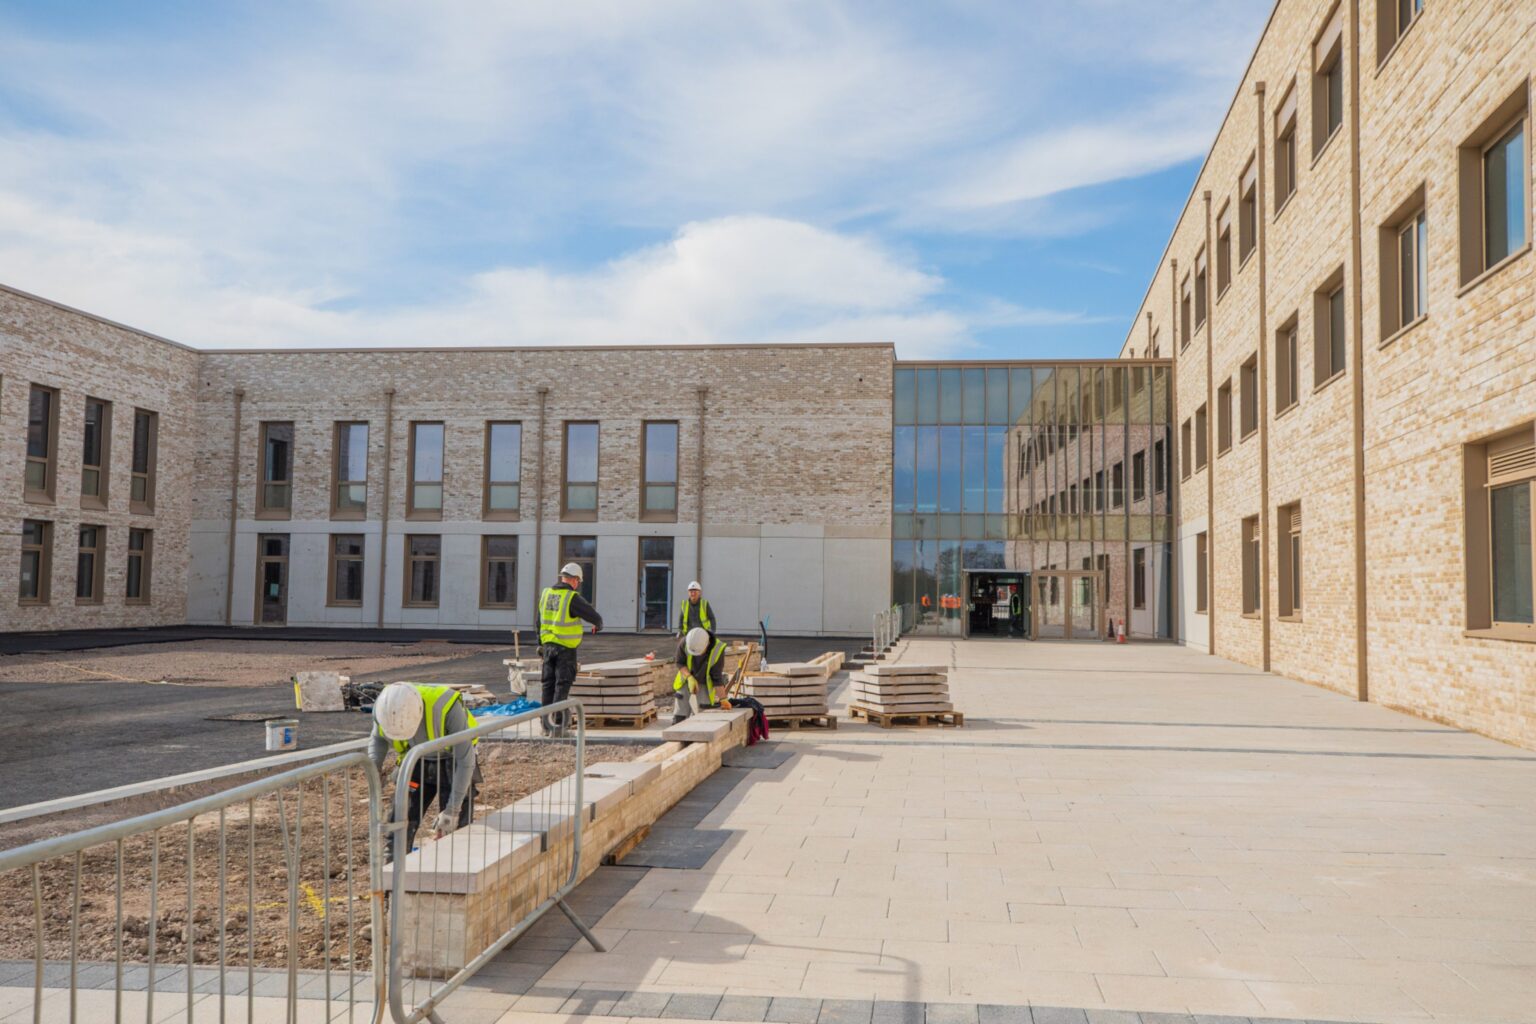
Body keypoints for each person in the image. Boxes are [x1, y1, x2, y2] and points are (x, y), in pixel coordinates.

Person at [370, 681, 481, 861]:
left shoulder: (446, 707)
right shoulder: (386, 707)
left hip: (452, 760)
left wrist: (452, 810)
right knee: (400, 817)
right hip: (417, 757)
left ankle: (454, 868)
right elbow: (378, 740)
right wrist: (373, 772)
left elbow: (465, 762)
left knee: (455, 828)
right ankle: (393, 872)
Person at [538, 562, 603, 735]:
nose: (578, 585)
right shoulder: (571, 597)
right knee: (562, 686)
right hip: (564, 650)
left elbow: (539, 622)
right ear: (574, 580)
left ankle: (545, 727)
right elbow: (594, 616)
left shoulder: (546, 594)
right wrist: (598, 624)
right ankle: (559, 727)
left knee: (547, 686)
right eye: (578, 582)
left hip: (547, 647)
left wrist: (541, 644)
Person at [672, 626, 727, 724]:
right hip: (686, 680)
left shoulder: (718, 649)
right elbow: (680, 662)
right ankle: (676, 738)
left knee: (703, 716)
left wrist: (723, 699)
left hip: (705, 683)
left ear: (707, 644)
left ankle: (698, 738)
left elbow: (716, 677)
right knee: (680, 714)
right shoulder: (686, 642)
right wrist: (689, 678)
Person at [678, 581, 716, 650]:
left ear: (699, 592)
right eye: (691, 591)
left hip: (702, 634)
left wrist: (712, 631)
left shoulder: (704, 604)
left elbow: (712, 618)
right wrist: (680, 630)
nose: (693, 593)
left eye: (695, 591)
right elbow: (681, 618)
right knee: (688, 651)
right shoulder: (684, 604)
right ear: (688, 593)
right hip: (688, 634)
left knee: (702, 651)